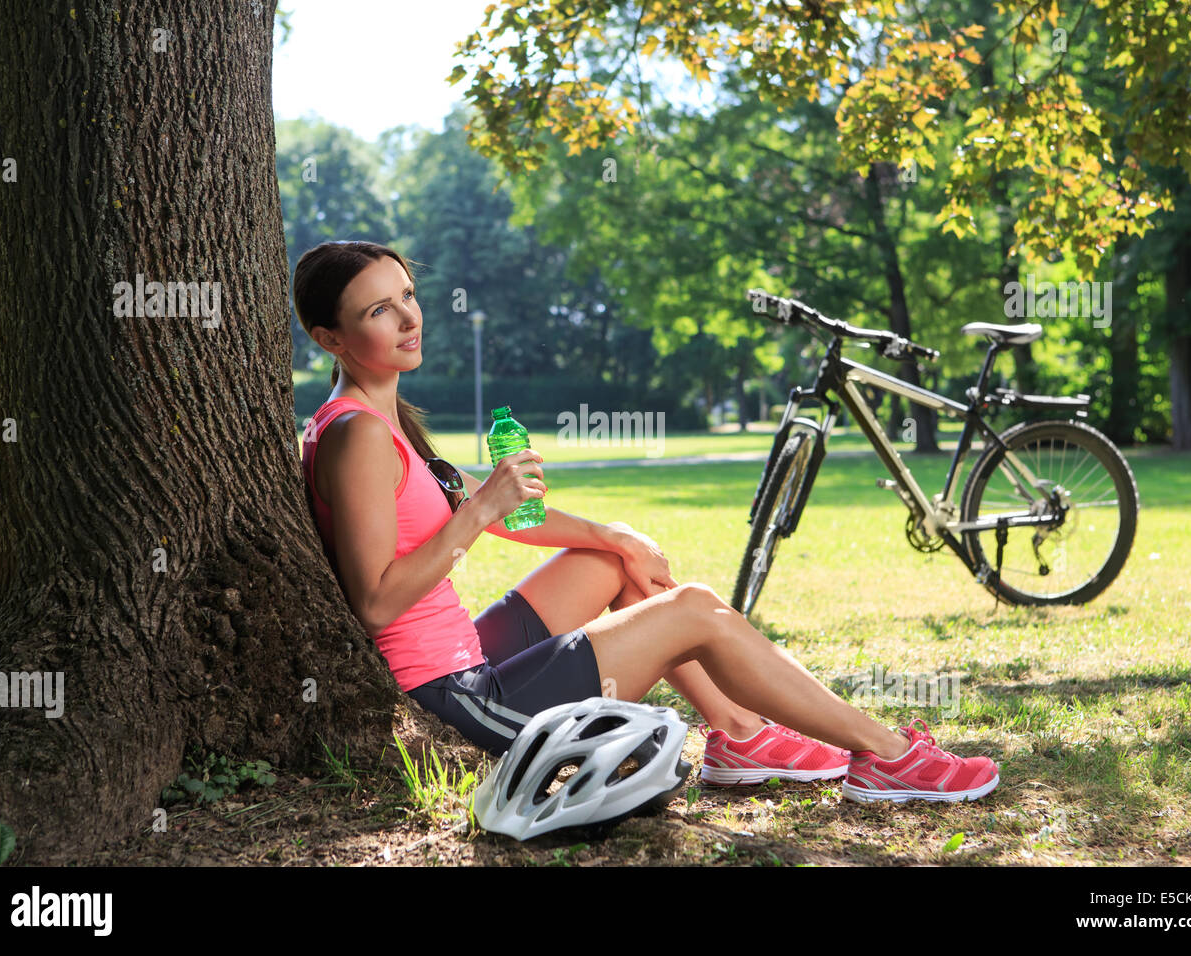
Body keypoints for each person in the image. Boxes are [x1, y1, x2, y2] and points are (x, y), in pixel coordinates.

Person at [293, 240, 999, 804]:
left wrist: (613, 536)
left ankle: (741, 734)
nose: (411, 317)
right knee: (694, 610)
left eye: (408, 295)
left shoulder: (386, 422)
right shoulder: (356, 436)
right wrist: (477, 514)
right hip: (454, 699)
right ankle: (885, 754)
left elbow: (510, 518)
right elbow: (376, 599)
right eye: (380, 310)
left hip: (464, 656)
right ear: (332, 337)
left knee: (610, 563)